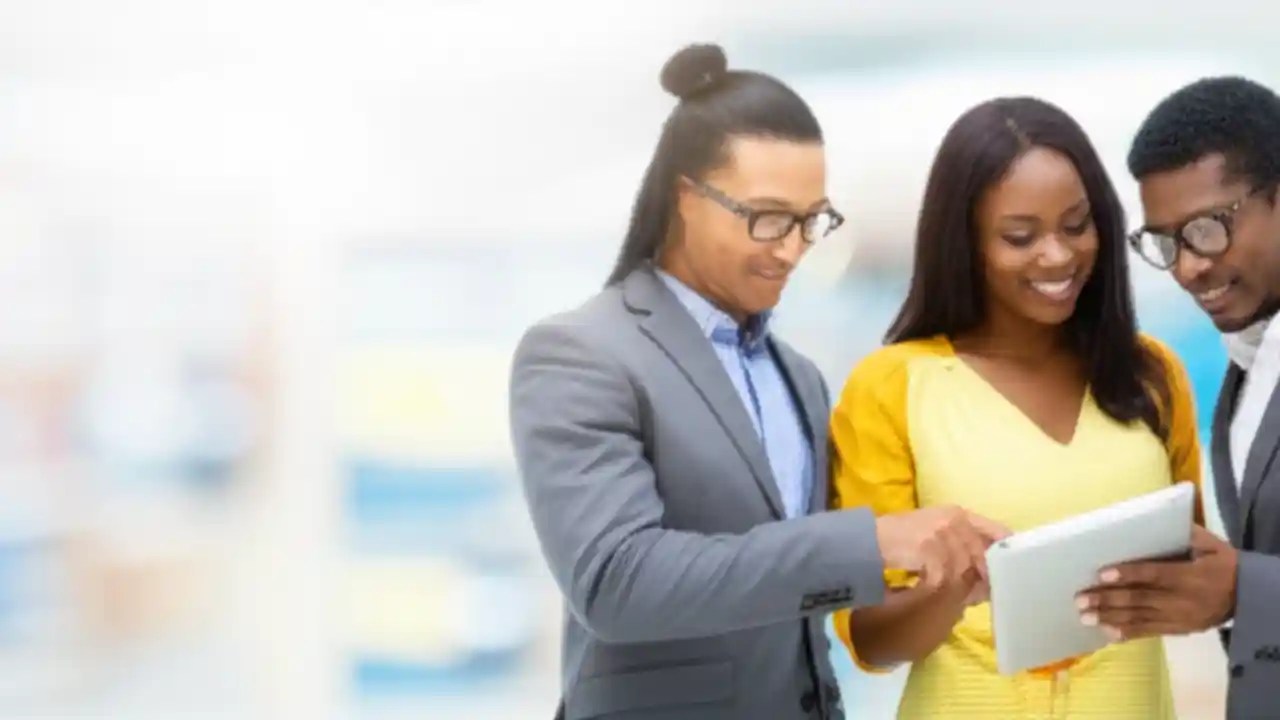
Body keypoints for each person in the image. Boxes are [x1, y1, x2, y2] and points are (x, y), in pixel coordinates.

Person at [508, 44, 1005, 720]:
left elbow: (802, 608)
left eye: (811, 220)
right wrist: (872, 541)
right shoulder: (580, 353)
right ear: (685, 198)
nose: (793, 248)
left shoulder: (798, 377)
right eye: (768, 218)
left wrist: (947, 576)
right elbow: (618, 582)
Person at [828, 96, 1203, 718]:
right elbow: (871, 641)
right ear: (964, 243)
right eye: (1019, 237)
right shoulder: (891, 386)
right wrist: (957, 589)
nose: (1057, 256)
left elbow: (1197, 575)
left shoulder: (1152, 373)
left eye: (1076, 225)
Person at [1077, 76, 1280, 719]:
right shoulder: (1247, 368)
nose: (1188, 267)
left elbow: (1250, 584)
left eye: (1208, 230)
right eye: (1166, 243)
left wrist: (1242, 591)